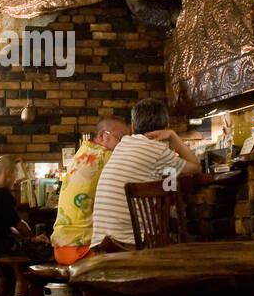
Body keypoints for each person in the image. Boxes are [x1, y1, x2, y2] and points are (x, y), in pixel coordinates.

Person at [90, 98, 201, 251]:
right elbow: (196, 167)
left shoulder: (123, 144)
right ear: (166, 126)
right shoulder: (158, 151)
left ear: (133, 127)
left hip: (102, 244)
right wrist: (173, 136)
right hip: (130, 245)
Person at [51, 117, 130, 264]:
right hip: (82, 249)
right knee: (137, 257)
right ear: (102, 136)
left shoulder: (84, 151)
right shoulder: (105, 156)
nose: (125, 144)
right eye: (122, 138)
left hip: (62, 246)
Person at [0, 154, 48, 263]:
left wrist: (26, 238)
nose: (15, 182)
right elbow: (20, 225)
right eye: (15, 175)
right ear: (8, 172)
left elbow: (9, 227)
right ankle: (22, 279)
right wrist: (33, 238)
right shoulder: (1, 193)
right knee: (42, 252)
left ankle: (6, 279)